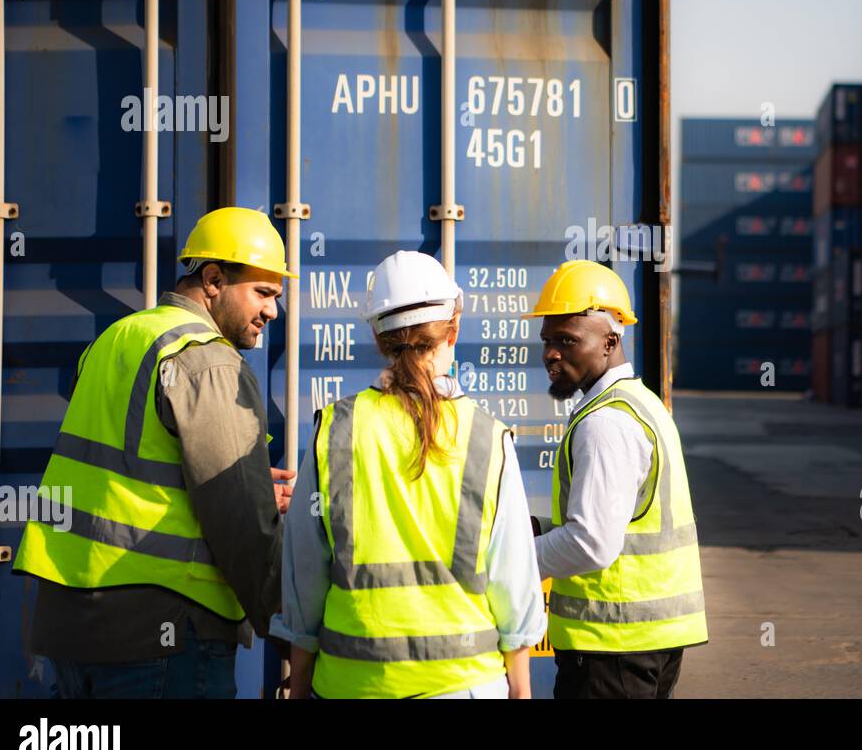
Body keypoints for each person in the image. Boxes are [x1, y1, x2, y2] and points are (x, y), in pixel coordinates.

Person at [13, 206, 297, 699]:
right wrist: (289, 629)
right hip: (162, 629)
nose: (273, 311)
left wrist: (241, 484)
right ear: (213, 279)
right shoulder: (207, 361)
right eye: (264, 292)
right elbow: (240, 524)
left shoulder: (119, 336)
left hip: (71, 623)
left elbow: (127, 469)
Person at [273, 250, 545, 699]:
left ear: (378, 337)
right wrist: (521, 688)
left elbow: (304, 577)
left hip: (351, 685)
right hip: (466, 686)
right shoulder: (486, 436)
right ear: (453, 327)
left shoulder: (335, 431)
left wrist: (298, 684)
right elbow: (512, 579)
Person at [523, 260, 708, 699]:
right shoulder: (639, 404)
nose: (551, 353)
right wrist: (543, 530)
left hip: (613, 649)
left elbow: (591, 542)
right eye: (547, 340)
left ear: (610, 341)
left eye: (567, 340)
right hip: (645, 642)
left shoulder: (606, 422)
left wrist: (512, 559)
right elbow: (620, 524)